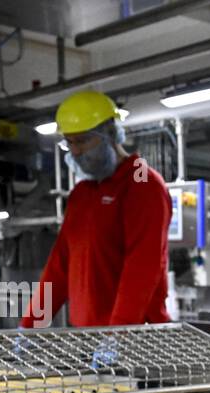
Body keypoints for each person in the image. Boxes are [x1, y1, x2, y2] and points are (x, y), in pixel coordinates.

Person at [24, 89, 171, 327]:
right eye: (69, 142)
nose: (75, 151)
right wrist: (30, 324)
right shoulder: (82, 194)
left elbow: (143, 266)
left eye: (82, 140)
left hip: (136, 337)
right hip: (90, 337)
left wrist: (117, 335)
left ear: (111, 134)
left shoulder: (143, 183)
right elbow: (60, 265)